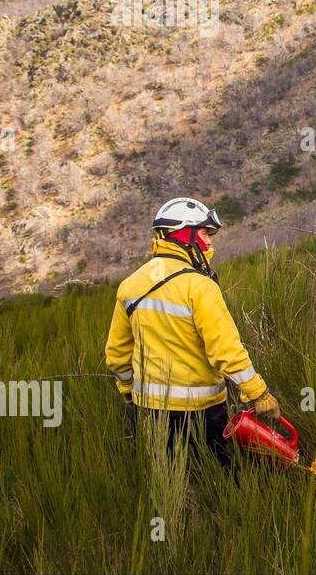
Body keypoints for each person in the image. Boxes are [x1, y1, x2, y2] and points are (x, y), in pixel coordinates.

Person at [105, 197, 280, 465]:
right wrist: (258, 393)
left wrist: (129, 391)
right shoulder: (199, 286)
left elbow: (117, 355)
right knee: (216, 482)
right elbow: (226, 350)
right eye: (204, 233)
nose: (210, 242)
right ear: (182, 234)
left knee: (167, 481)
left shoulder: (130, 285)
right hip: (202, 414)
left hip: (150, 412)